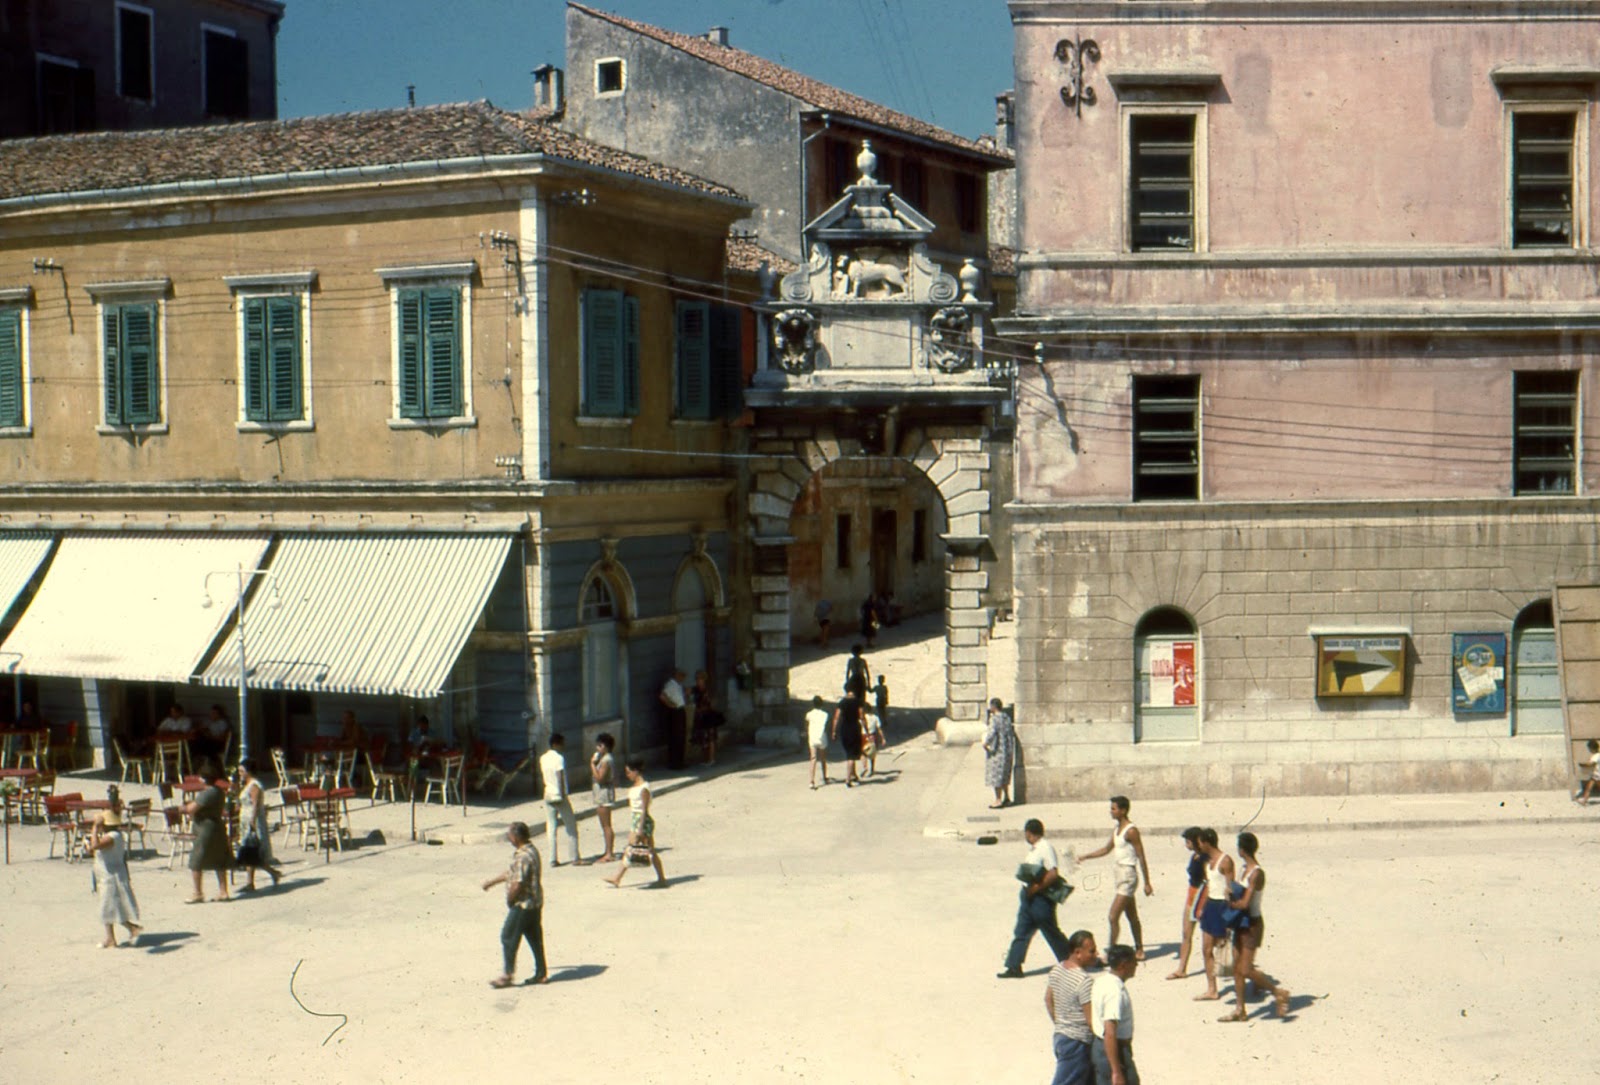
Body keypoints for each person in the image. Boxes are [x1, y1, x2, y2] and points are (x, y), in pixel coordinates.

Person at [1219, 831, 1291, 1022]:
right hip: (1242, 923)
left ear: (1242, 849)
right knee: (1237, 968)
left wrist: (1230, 902)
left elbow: (1245, 903)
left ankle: (1278, 992)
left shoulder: (1256, 873)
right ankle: (1240, 1009)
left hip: (1251, 924)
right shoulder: (1245, 870)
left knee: (1245, 968)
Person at [1078, 796, 1153, 959]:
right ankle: (1139, 950)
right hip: (1119, 874)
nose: (1111, 811)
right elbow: (1106, 849)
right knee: (1131, 915)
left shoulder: (1131, 831)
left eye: (1114, 808)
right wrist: (1086, 856)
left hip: (1128, 876)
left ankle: (1110, 952)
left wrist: (1147, 882)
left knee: (1113, 916)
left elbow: (1141, 856)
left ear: (1123, 810)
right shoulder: (1117, 829)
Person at [998, 818, 1072, 978]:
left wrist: (1036, 888)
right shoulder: (1034, 849)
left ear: (1029, 833)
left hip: (1040, 898)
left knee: (1050, 930)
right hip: (1029, 897)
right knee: (1022, 931)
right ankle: (1014, 966)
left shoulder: (1045, 847)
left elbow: (1053, 873)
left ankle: (1069, 960)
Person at [482, 821, 546, 988]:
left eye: (510, 835)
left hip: (523, 904)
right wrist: (492, 882)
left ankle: (507, 975)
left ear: (517, 837)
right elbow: (511, 873)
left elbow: (517, 883)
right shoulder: (531, 850)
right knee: (534, 938)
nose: (509, 838)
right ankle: (541, 973)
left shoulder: (523, 857)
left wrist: (510, 900)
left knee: (508, 936)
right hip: (535, 903)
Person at [1044, 930, 1099, 1085]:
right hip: (1078, 1044)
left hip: (1060, 1037)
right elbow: (1091, 1021)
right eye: (1092, 951)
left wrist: (1061, 1024)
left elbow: (1048, 1000)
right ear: (1077, 952)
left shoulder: (1057, 969)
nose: (1096, 954)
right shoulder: (1084, 980)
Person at [83, 810, 142, 948]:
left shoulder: (113, 836)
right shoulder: (112, 835)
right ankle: (112, 937)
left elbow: (96, 846)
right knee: (109, 908)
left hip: (111, 876)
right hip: (106, 874)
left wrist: (95, 828)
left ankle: (130, 929)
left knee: (111, 907)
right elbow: (95, 849)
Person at [605, 757, 666, 888]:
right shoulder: (636, 787)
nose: (628, 775)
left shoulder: (644, 788)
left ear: (636, 771)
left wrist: (640, 828)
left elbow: (644, 810)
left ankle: (618, 877)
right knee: (644, 850)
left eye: (629, 772)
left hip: (642, 820)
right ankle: (661, 878)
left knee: (635, 849)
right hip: (636, 819)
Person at [1194, 826, 1236, 1001]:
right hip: (1210, 904)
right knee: (1206, 949)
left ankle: (1251, 978)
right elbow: (1209, 886)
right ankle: (1212, 988)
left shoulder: (1225, 861)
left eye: (1200, 843)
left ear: (1206, 843)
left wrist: (1229, 916)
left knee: (1228, 948)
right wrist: (1202, 907)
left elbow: (1231, 888)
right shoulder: (1207, 861)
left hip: (1222, 905)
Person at [1091, 945, 1141, 1085]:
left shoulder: (1102, 981)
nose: (1136, 965)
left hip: (1101, 1047)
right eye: (1134, 962)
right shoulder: (1115, 992)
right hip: (1114, 1050)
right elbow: (1110, 1032)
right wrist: (1116, 1072)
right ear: (1123, 965)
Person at [183, 757, 231, 903]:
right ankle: (223, 891)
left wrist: (183, 808)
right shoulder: (219, 791)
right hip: (217, 827)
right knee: (219, 861)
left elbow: (192, 808)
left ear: (203, 779)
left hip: (206, 829)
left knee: (196, 861)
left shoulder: (207, 793)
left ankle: (198, 892)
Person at [234, 760, 283, 891]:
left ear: (248, 771)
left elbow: (255, 804)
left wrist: (252, 820)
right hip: (245, 821)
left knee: (254, 851)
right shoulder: (245, 785)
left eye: (242, 771)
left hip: (253, 822)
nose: (240, 774)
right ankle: (266, 876)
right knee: (250, 853)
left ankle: (256, 880)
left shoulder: (254, 785)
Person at [539, 734, 584, 866]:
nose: (564, 746)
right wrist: (563, 793)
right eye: (562, 743)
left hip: (547, 793)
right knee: (570, 826)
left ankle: (552, 859)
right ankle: (575, 857)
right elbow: (560, 777)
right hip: (559, 794)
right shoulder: (559, 758)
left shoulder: (543, 758)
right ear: (556, 744)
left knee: (551, 827)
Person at [1167, 827, 1205, 980]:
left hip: (1202, 895)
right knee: (1186, 934)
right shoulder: (1195, 856)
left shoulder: (1204, 858)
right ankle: (1181, 968)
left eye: (1188, 841)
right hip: (1192, 894)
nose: (1186, 844)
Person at [590, 733, 621, 861]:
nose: (598, 748)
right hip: (602, 793)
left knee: (606, 825)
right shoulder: (606, 759)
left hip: (603, 794)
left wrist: (592, 764)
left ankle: (609, 853)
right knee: (604, 825)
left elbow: (600, 778)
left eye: (600, 745)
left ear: (606, 746)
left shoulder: (606, 760)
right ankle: (607, 850)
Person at [983, 698, 1017, 808]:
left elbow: (992, 733)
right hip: (1007, 751)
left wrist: (985, 743)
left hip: (997, 751)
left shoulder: (995, 719)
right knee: (1004, 776)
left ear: (993, 706)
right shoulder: (1006, 717)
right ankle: (1007, 797)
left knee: (996, 776)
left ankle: (998, 800)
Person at [831, 692, 864, 788]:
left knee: (849, 752)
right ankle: (848, 779)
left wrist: (833, 731)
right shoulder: (858, 702)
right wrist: (867, 729)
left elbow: (836, 717)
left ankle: (854, 775)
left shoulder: (842, 702)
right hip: (855, 728)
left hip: (844, 728)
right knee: (852, 756)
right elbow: (861, 716)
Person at [690, 670, 722, 766]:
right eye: (696, 678)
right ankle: (705, 759)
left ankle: (711, 759)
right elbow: (688, 694)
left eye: (699, 678)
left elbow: (712, 703)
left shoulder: (708, 689)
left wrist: (705, 707)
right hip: (700, 716)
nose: (697, 680)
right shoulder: (695, 689)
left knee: (710, 738)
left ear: (704, 679)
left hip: (708, 715)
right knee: (702, 738)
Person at [659, 669, 688, 770]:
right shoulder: (670, 684)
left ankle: (680, 762)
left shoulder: (678, 685)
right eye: (682, 676)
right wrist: (671, 705)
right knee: (676, 737)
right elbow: (662, 696)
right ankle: (674, 763)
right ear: (677, 675)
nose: (683, 678)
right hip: (675, 712)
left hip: (680, 710)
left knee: (681, 737)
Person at [806, 695, 831, 789]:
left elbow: (807, 723)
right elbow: (827, 726)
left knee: (813, 759)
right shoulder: (825, 714)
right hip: (822, 737)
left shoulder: (809, 714)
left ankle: (812, 781)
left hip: (812, 737)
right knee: (823, 759)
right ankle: (825, 777)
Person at [859, 706, 885, 777]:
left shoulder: (862, 718)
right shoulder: (875, 717)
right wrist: (882, 738)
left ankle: (865, 767)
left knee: (863, 752)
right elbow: (879, 728)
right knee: (872, 753)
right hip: (873, 736)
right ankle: (872, 768)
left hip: (863, 735)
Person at [1577, 739, 1600, 805]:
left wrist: (1583, 765)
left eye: (1589, 749)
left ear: (1592, 748)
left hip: (1597, 775)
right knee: (1588, 788)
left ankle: (1584, 800)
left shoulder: (1595, 756)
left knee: (1588, 788)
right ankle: (1584, 800)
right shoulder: (1598, 755)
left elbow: (1591, 764)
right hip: (1596, 775)